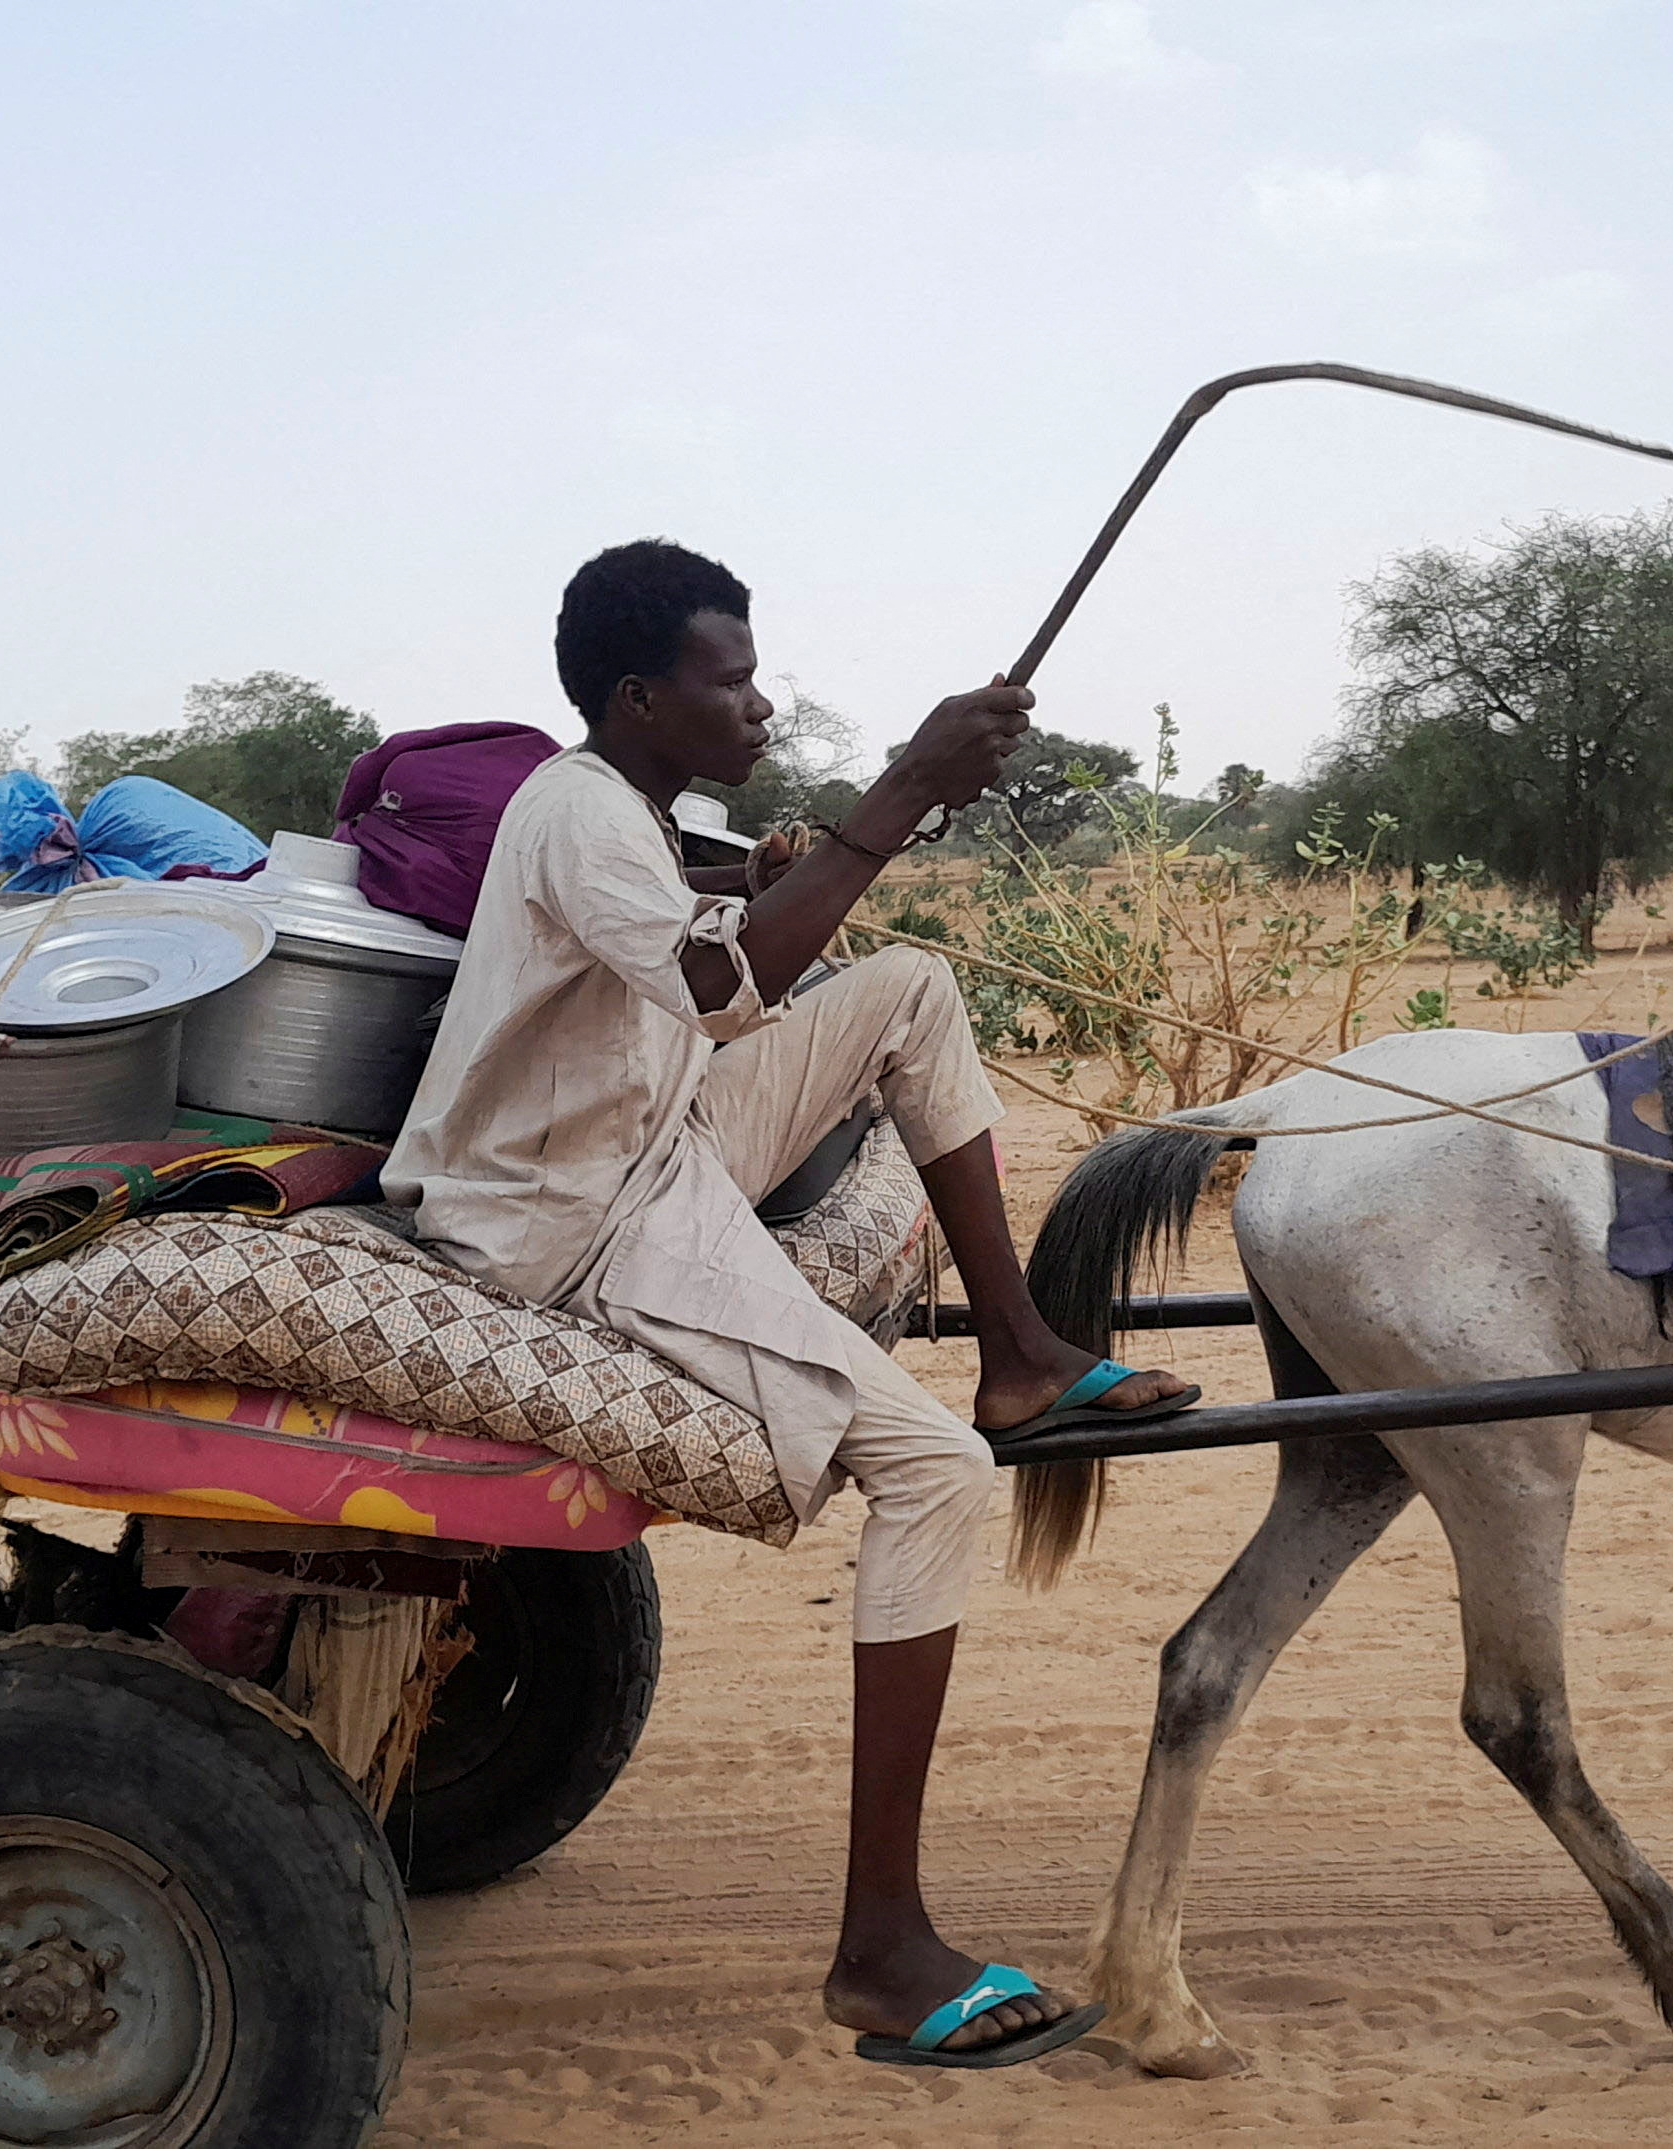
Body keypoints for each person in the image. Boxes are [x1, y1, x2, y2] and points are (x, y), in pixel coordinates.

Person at [386, 539, 1193, 2068]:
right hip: (579, 1218)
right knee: (934, 1474)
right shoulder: (571, 812)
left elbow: (715, 950)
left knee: (913, 992)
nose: (759, 702)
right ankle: (881, 1946)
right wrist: (897, 793)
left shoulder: (629, 809)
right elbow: (720, 990)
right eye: (729, 678)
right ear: (638, 697)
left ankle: (1020, 1349)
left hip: (652, 1129)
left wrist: (812, 845)